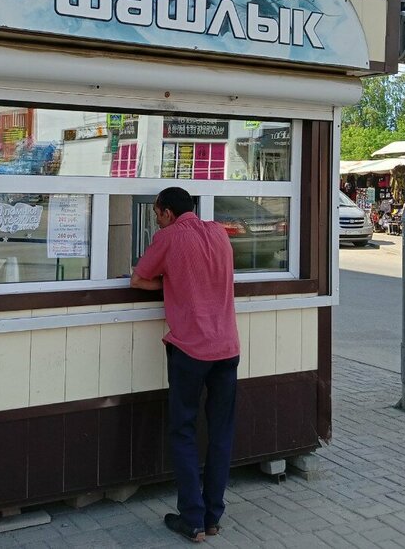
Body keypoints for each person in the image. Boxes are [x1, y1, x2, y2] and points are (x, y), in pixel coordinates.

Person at [131, 186, 240, 543]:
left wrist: (168, 281)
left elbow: (138, 279)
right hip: (227, 348)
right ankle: (213, 517)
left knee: (183, 431)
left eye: (156, 214)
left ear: (166, 212)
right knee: (221, 433)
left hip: (190, 350)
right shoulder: (219, 233)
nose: (156, 221)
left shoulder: (169, 237)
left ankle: (192, 519)